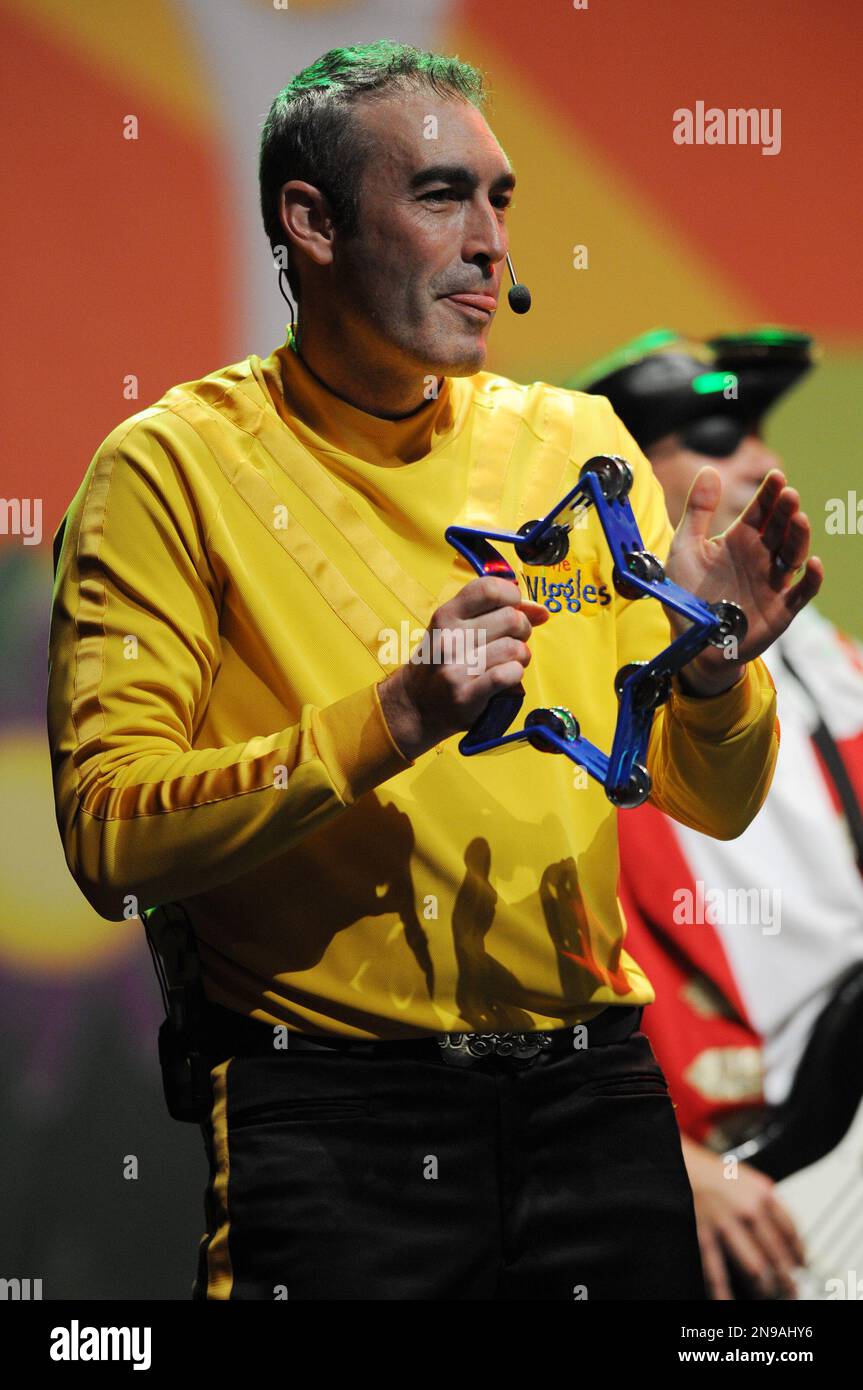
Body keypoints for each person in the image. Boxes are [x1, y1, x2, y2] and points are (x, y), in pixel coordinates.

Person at [46, 43, 821, 1301]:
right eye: (441, 194)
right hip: (334, 1116)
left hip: (599, 1102)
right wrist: (394, 716)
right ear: (309, 222)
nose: (489, 243)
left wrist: (712, 673)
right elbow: (107, 834)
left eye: (501, 199)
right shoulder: (166, 470)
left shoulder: (573, 441)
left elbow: (710, 798)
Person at [573, 328, 863, 1301]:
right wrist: (664, 1164)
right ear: (622, 487)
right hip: (713, 1198)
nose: (760, 463)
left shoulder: (842, 681)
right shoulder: (567, 705)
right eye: (711, 436)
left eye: (758, 436)